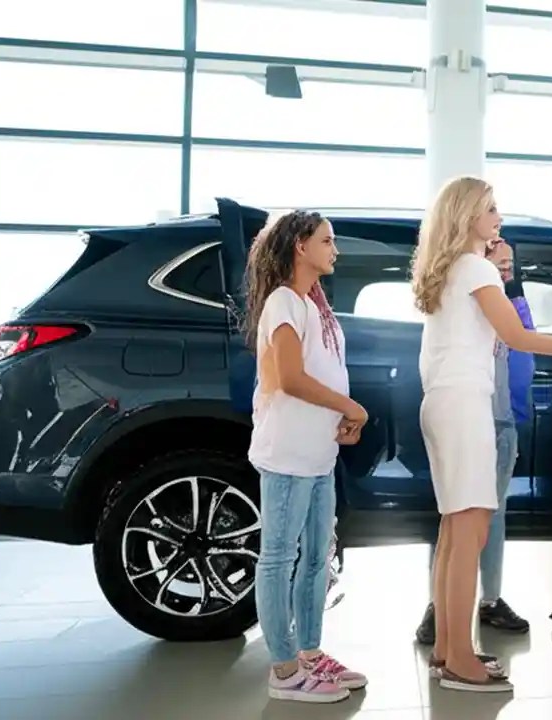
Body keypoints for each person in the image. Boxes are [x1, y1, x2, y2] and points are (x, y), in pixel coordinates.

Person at [411, 176, 552, 693]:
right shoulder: (475, 266)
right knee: (469, 536)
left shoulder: (445, 272)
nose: (498, 216)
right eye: (490, 208)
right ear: (466, 216)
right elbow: (518, 336)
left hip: (441, 404)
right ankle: (462, 659)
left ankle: (447, 650)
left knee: (452, 533)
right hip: (465, 408)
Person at [244, 211, 369, 704]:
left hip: (318, 454)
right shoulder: (282, 302)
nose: (334, 249)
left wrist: (344, 420)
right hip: (287, 453)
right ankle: (284, 669)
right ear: (300, 246)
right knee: (278, 558)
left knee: (317, 559)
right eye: (326, 240)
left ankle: (311, 654)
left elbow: (322, 372)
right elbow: (292, 378)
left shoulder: (312, 307)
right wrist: (349, 406)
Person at [414, 238, 534, 646]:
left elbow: (521, 360)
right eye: (498, 264)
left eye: (510, 267)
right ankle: (452, 639)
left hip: (498, 419)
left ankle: (468, 625)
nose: (505, 272)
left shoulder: (494, 294)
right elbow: (522, 341)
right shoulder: (471, 282)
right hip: (472, 412)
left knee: (478, 520)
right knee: (463, 523)